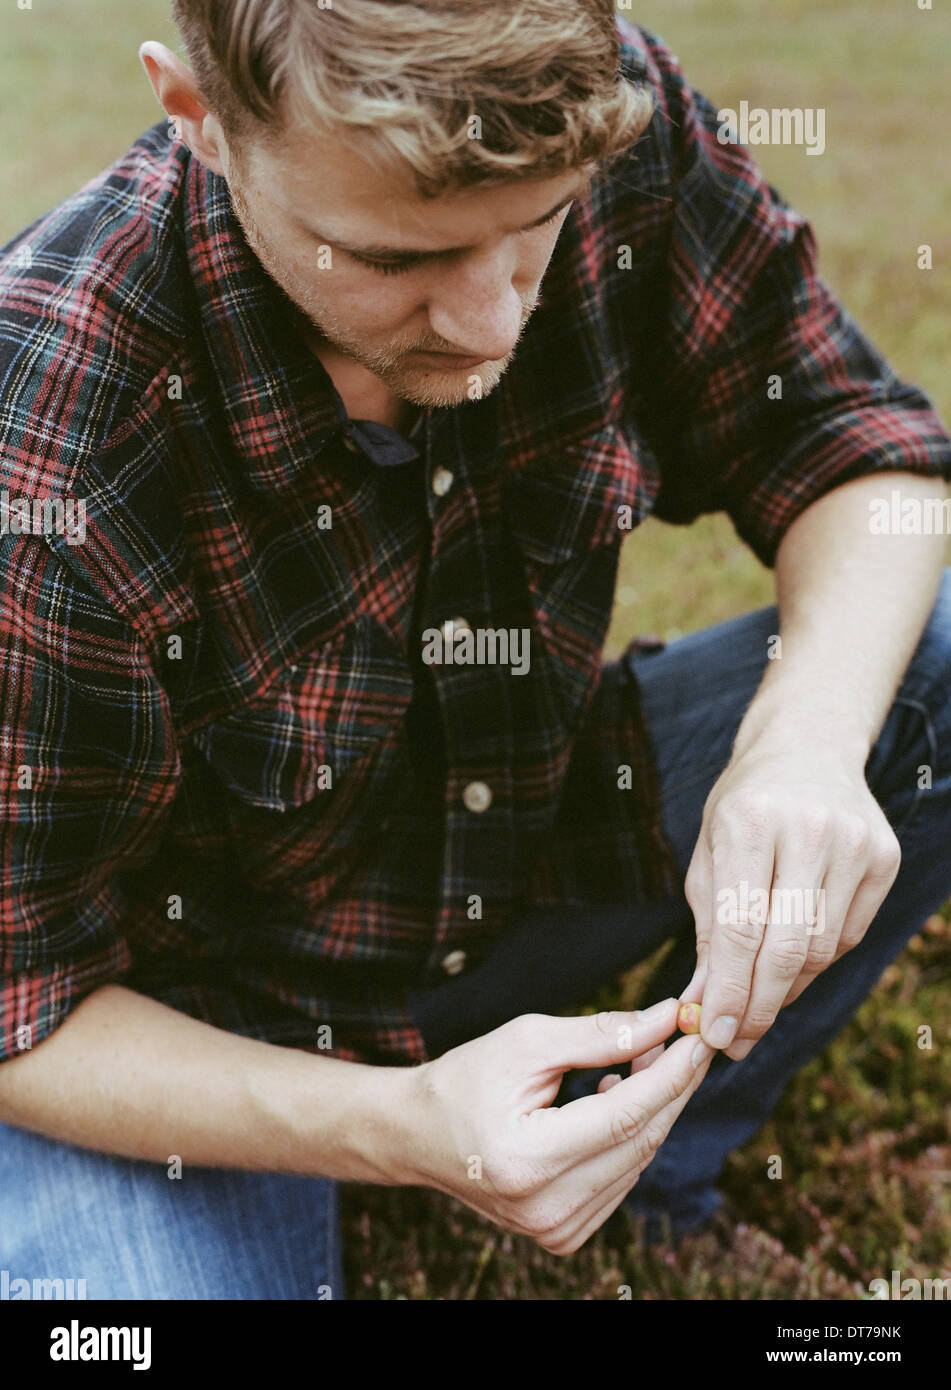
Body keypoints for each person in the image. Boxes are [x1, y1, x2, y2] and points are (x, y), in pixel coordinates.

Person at [1, 1, 949, 1301]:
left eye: (541, 228)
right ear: (202, 119)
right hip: (192, 1023)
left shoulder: (611, 115)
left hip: (515, 861)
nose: (497, 323)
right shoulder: (45, 447)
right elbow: (21, 1010)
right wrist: (407, 1124)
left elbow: (860, 451)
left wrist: (804, 746)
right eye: (394, 259)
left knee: (924, 661)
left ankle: (657, 1163)